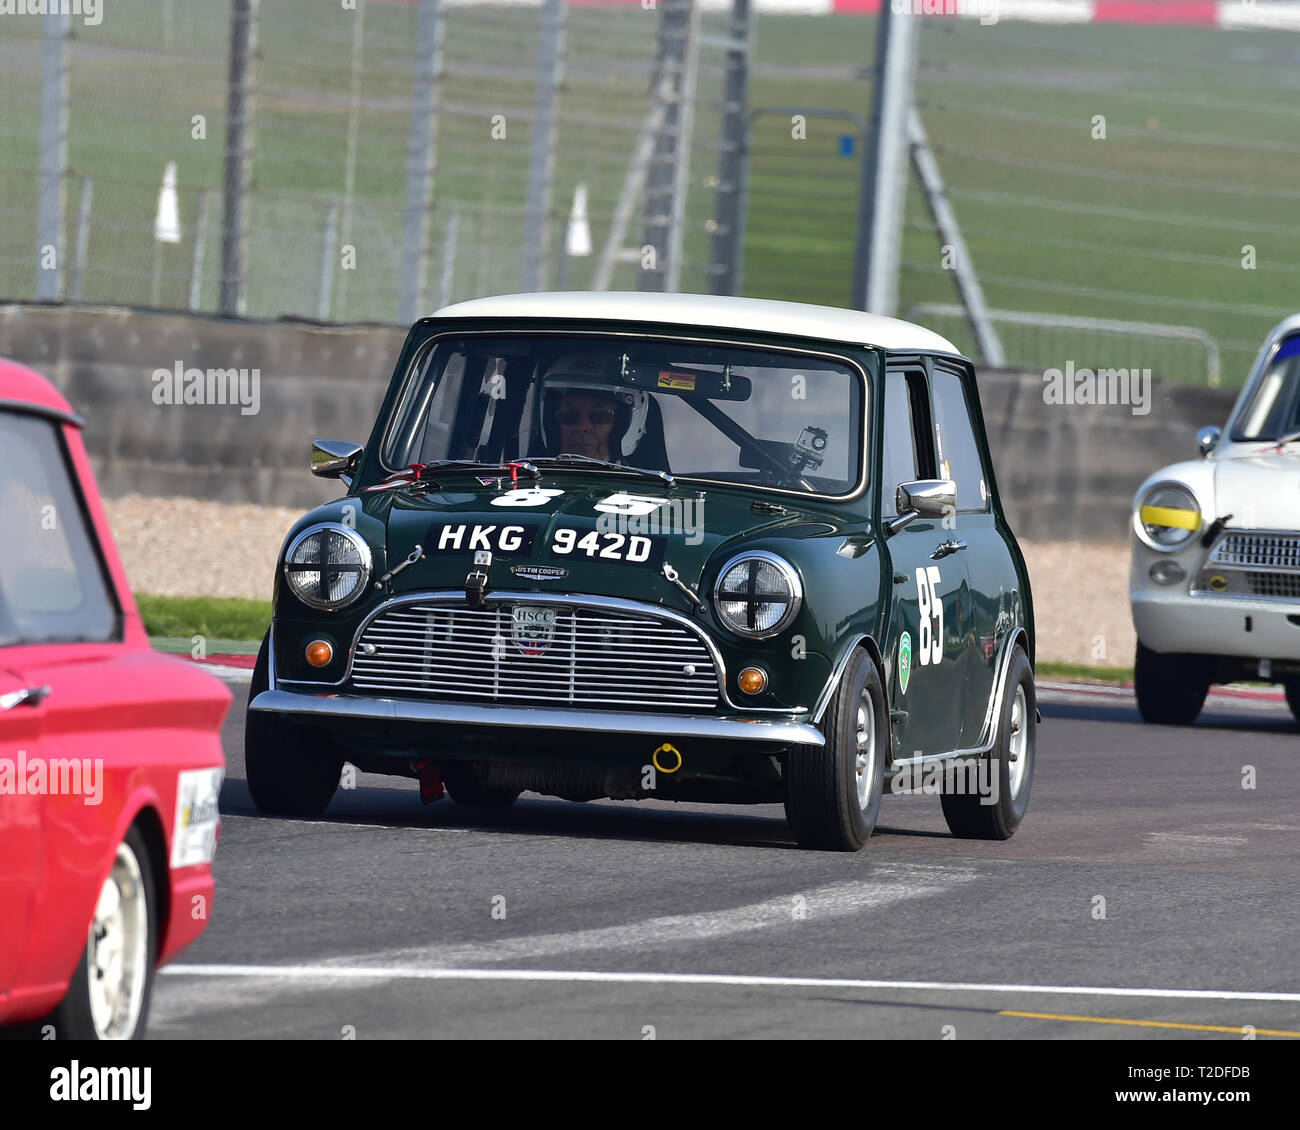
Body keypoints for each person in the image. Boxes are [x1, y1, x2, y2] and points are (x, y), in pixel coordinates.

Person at [555, 389, 619, 462]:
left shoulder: (632, 473)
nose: (583, 427)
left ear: (616, 427)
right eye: (569, 416)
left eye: (599, 416)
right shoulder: (539, 472)